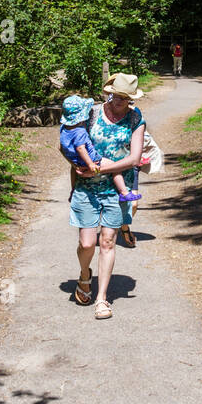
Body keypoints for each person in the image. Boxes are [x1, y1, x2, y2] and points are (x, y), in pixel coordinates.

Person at [69, 73, 146, 318]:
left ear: (132, 98)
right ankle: (84, 276)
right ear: (109, 92)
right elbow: (67, 142)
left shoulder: (136, 119)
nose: (120, 100)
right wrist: (77, 167)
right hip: (86, 187)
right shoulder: (90, 114)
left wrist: (100, 168)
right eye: (116, 95)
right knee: (87, 243)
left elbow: (134, 159)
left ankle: (102, 299)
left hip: (117, 187)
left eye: (126, 97)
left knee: (108, 241)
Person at [59, 95, 141, 204]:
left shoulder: (64, 128)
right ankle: (124, 193)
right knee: (115, 167)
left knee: (73, 170)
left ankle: (73, 190)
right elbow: (80, 148)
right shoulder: (80, 131)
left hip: (76, 161)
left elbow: (60, 147)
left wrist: (75, 164)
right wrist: (91, 165)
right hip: (91, 159)